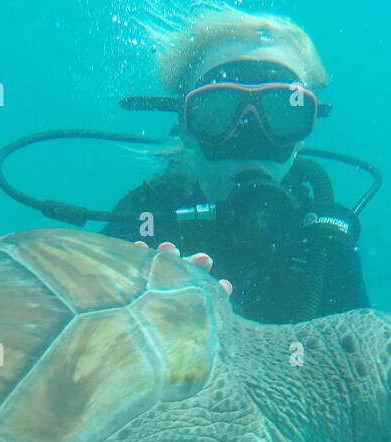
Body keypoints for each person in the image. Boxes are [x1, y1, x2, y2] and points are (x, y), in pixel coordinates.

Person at [102, 10, 369, 324]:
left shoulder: (323, 244)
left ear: (302, 137)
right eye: (218, 112)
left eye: (283, 113)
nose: (251, 141)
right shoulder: (142, 220)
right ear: (186, 127)